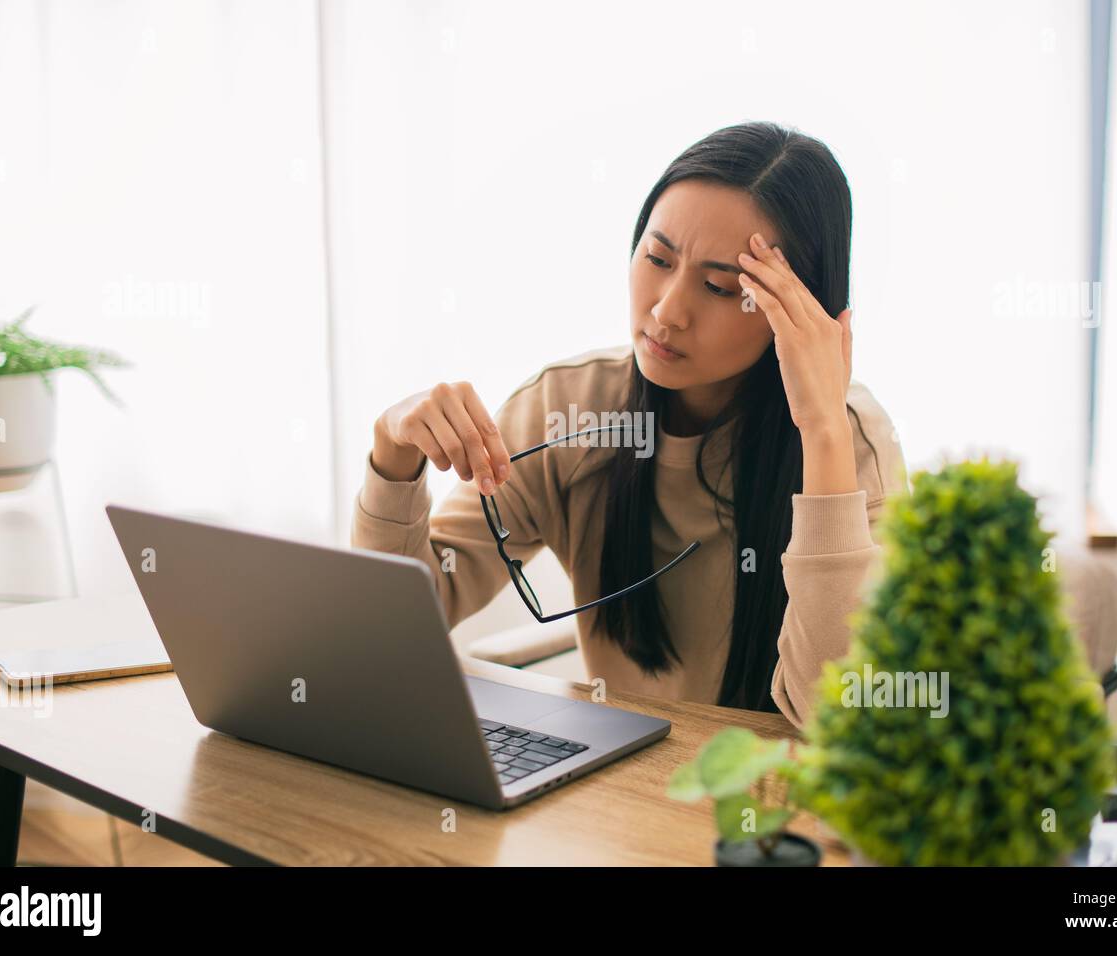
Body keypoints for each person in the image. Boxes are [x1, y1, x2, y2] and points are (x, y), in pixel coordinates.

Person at [352, 120, 905, 729]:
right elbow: (389, 630)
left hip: (768, 809)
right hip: (617, 797)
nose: (667, 311)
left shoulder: (851, 444)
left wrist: (822, 430)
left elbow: (836, 718)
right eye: (658, 257)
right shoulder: (572, 407)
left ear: (798, 308)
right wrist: (392, 454)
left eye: (720, 287)